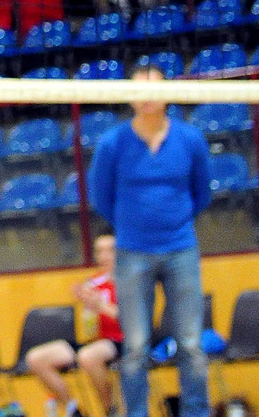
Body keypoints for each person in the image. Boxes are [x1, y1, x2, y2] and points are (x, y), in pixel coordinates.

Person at [86, 62, 211, 417]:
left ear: (167, 93)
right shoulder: (112, 144)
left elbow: (201, 193)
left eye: (153, 88)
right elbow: (101, 197)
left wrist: (174, 223)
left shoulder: (189, 139)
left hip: (181, 248)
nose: (146, 98)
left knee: (190, 343)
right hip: (132, 252)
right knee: (136, 346)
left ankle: (196, 412)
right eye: (138, 90)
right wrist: (132, 228)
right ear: (129, 97)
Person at [24, 234, 123, 417]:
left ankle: (110, 411)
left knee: (88, 356)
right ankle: (74, 411)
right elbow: (90, 325)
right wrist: (86, 304)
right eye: (99, 251)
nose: (104, 256)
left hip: (123, 341)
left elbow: (132, 320)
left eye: (110, 251)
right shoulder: (94, 283)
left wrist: (101, 306)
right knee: (36, 358)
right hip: (97, 341)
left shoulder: (132, 281)